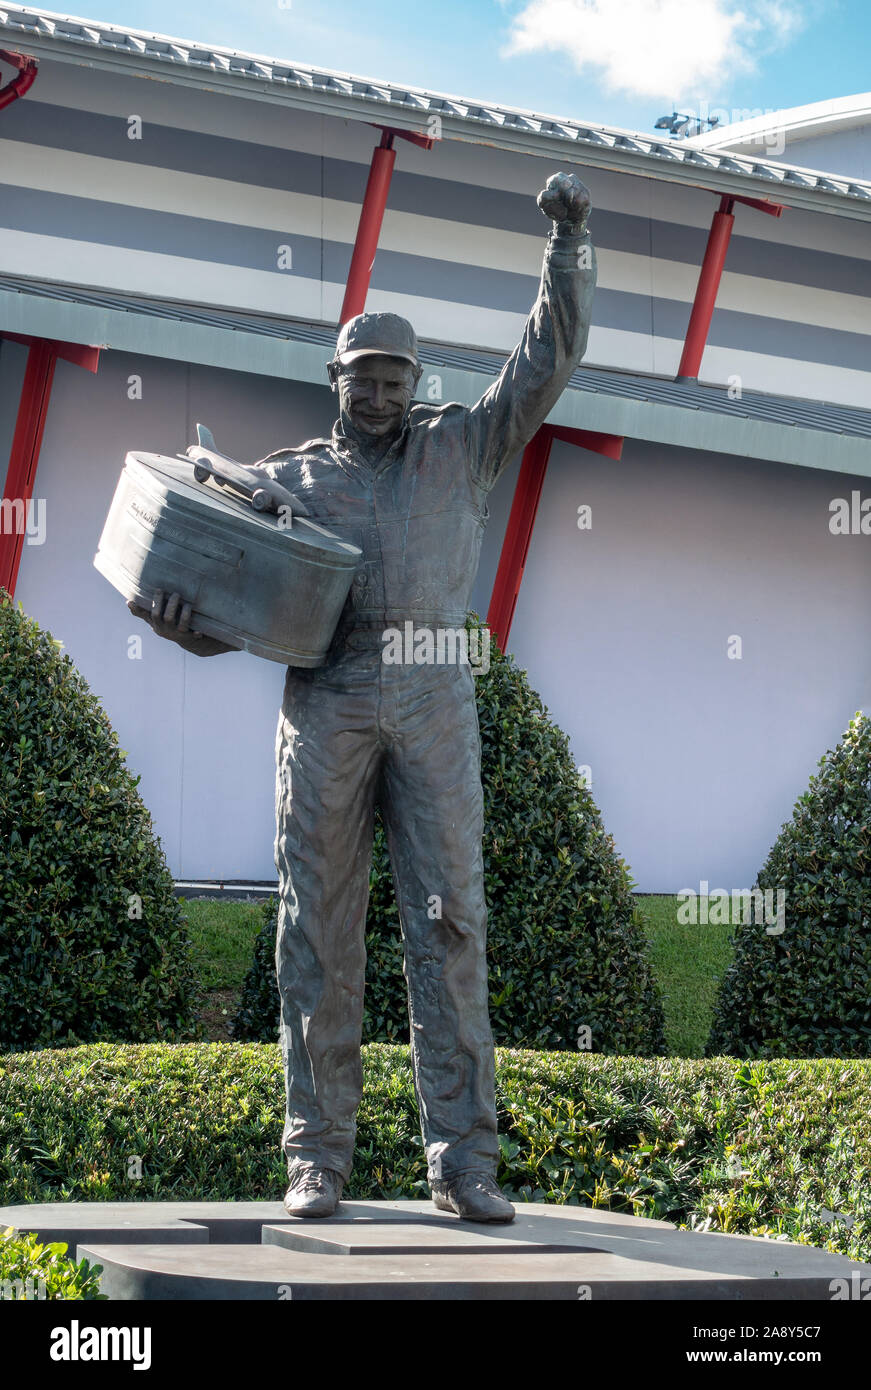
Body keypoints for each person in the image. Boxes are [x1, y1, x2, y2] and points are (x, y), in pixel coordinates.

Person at [131, 170, 597, 1224]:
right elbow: (229, 610)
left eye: (394, 378)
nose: (379, 394)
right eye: (362, 378)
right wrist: (183, 623)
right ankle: (317, 1160)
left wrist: (565, 246)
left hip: (436, 699)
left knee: (451, 926)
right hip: (329, 702)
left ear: (416, 378)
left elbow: (545, 360)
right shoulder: (282, 481)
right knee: (315, 929)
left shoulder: (461, 446)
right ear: (333, 378)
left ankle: (464, 1161)